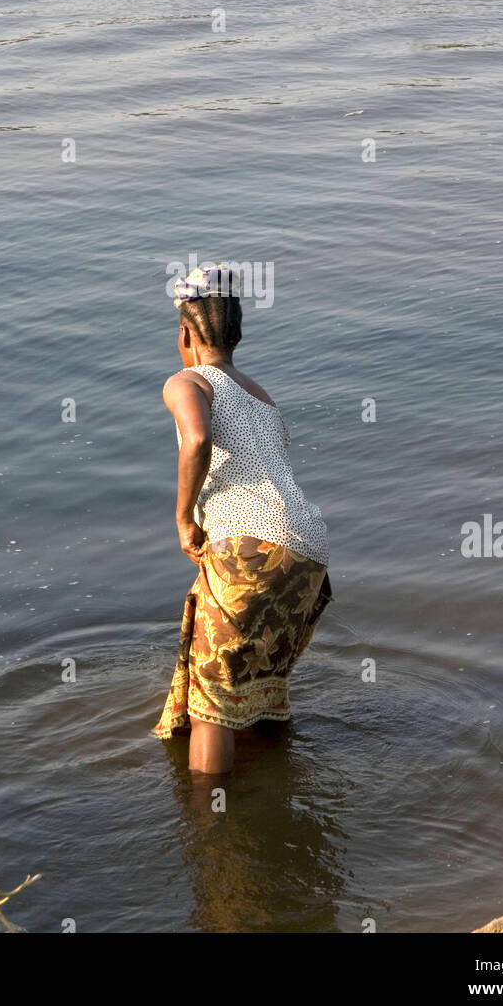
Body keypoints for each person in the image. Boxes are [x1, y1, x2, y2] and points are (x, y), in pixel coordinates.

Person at [151, 262, 332, 773]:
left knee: (211, 705)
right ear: (236, 330)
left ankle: (212, 827)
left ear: (185, 332)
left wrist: (184, 518)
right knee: (265, 683)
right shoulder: (260, 396)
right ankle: (277, 786)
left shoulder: (186, 382)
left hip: (250, 545)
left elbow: (198, 439)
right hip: (309, 548)